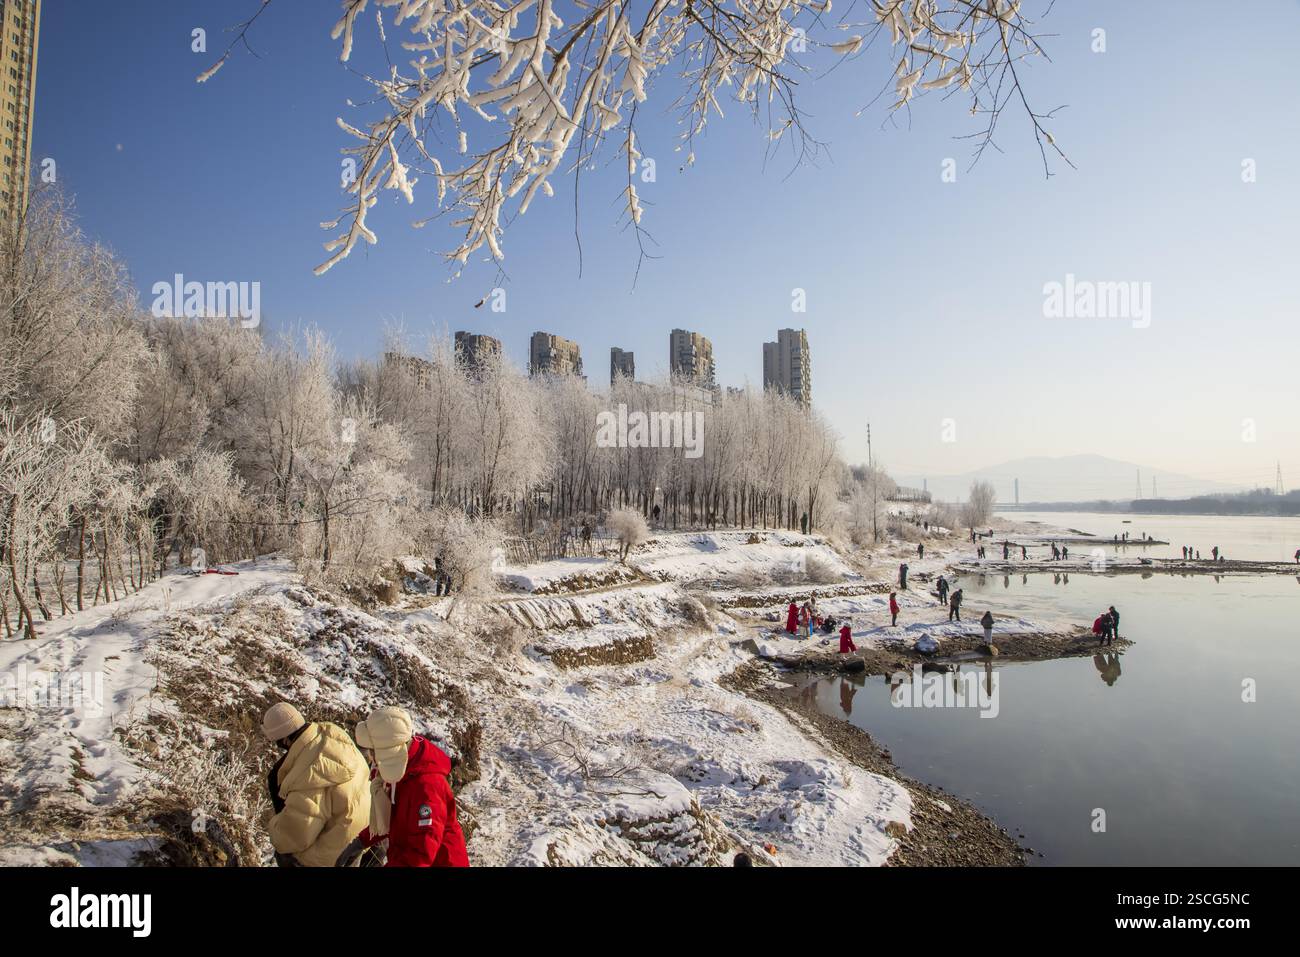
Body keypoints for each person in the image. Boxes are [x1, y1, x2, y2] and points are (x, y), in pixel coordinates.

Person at [353, 707, 469, 868]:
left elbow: (421, 854)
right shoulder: (403, 770)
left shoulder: (427, 787)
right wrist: (361, 841)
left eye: (372, 751)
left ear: (388, 752)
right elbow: (394, 817)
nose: (370, 757)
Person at [262, 703, 371, 868]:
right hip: (364, 829)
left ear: (285, 739)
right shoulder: (332, 735)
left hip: (339, 842)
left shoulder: (307, 772)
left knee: (285, 853)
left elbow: (298, 832)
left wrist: (275, 827)